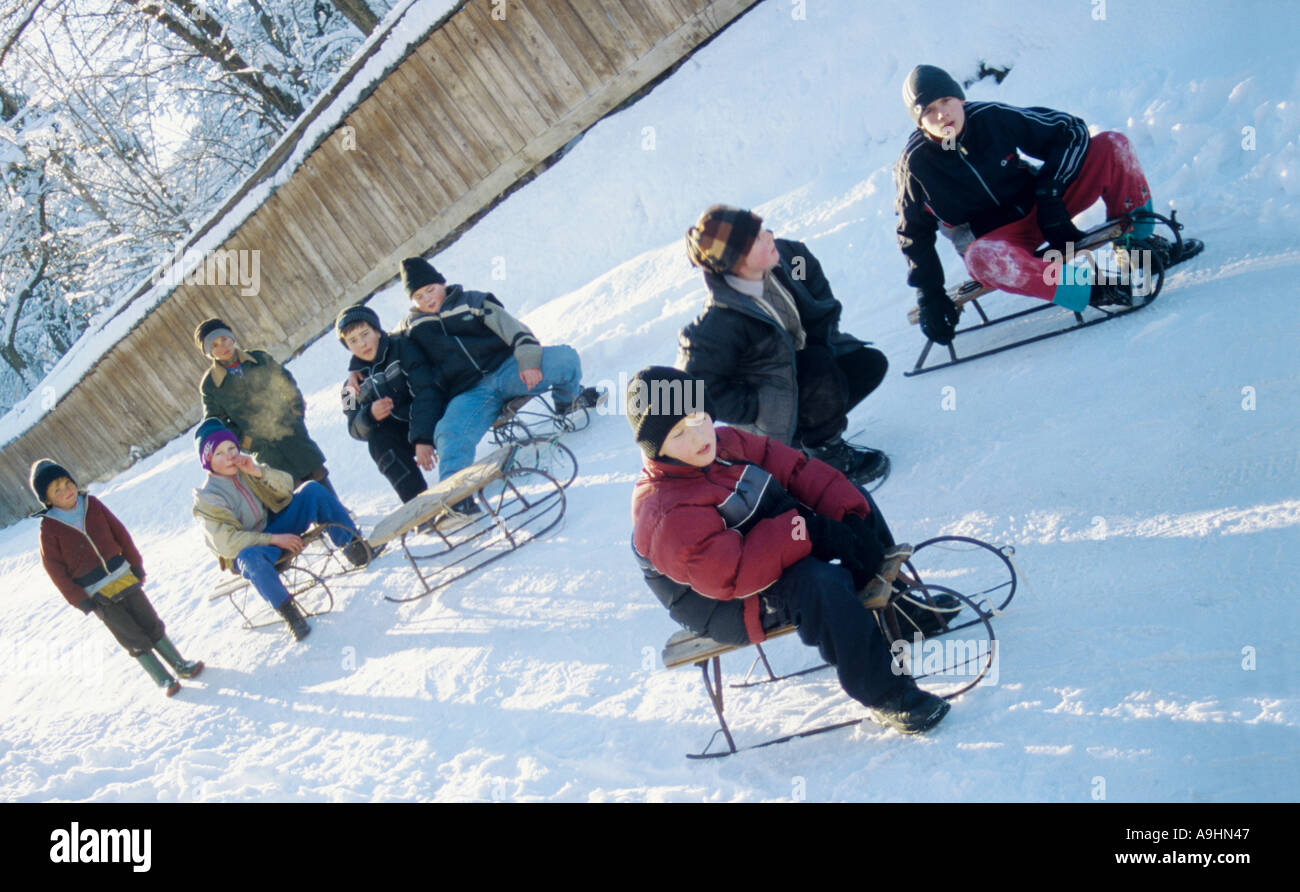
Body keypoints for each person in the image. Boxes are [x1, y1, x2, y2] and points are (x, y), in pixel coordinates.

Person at [626, 367, 949, 734]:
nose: (698, 435)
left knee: (854, 503)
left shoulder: (726, 442)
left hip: (768, 553)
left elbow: (797, 471)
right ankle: (886, 693)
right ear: (656, 447)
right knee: (817, 582)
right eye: (678, 433)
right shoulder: (664, 509)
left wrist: (845, 518)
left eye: (698, 417)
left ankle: (900, 609)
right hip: (726, 601)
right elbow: (731, 574)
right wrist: (806, 531)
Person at [893, 64, 1204, 345]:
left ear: (960, 99)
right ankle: (1092, 289)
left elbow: (1070, 131)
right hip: (997, 240)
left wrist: (1050, 193)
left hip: (1045, 208)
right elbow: (913, 234)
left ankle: (1139, 247)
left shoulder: (991, 117)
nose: (941, 114)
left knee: (1112, 146)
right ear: (919, 122)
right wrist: (929, 295)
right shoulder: (915, 164)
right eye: (928, 110)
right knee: (983, 260)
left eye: (945, 101)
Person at [677, 205, 889, 485]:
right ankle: (824, 452)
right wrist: (755, 409)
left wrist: (821, 330)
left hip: (807, 371)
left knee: (869, 365)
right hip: (775, 404)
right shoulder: (718, 324)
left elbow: (809, 273)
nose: (769, 236)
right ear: (737, 262)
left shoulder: (789, 259)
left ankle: (806, 435)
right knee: (818, 366)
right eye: (757, 238)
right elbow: (696, 387)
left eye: (763, 229)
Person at [395, 257, 605, 526]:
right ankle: (457, 500)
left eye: (431, 290)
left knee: (565, 359)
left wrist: (528, 360)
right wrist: (356, 374)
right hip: (470, 394)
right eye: (419, 296)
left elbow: (514, 329)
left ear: (442, 284)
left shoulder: (473, 301)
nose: (427, 299)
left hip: (508, 370)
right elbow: (383, 351)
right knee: (450, 432)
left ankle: (568, 402)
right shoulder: (410, 328)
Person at [32, 459, 203, 697]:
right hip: (98, 595)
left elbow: (120, 534)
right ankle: (161, 677)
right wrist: (80, 600)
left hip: (124, 577)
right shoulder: (50, 529)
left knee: (150, 622)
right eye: (57, 490)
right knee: (130, 634)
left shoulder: (92, 505)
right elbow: (55, 570)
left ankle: (179, 664)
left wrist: (136, 565)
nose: (66, 491)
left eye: (67, 483)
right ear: (48, 500)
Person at [192, 419, 371, 642]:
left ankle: (355, 548)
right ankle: (290, 614)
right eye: (219, 453)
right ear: (207, 460)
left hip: (275, 527)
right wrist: (274, 539)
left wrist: (258, 472)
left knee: (312, 490)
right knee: (249, 557)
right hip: (252, 550)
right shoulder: (208, 498)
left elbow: (287, 486)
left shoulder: (246, 468)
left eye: (231, 448)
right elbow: (226, 543)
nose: (229, 456)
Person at [195, 318, 334, 493]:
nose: (222, 347)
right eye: (214, 345)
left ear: (231, 337)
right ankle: (317, 518)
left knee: (315, 471)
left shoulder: (259, 359)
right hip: (263, 447)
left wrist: (296, 413)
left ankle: (339, 512)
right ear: (209, 353)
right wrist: (247, 441)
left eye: (223, 339)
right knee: (289, 486)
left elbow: (286, 382)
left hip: (290, 430)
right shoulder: (211, 385)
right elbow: (218, 424)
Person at [336, 304, 438, 506]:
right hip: (403, 435)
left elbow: (426, 390)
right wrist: (369, 415)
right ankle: (419, 505)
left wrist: (422, 438)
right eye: (353, 341)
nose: (362, 344)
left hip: (431, 417)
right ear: (347, 347)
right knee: (378, 442)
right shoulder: (349, 387)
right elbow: (353, 428)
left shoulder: (402, 347)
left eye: (365, 334)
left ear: (377, 331)